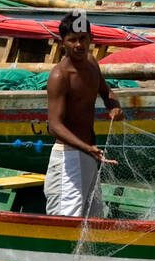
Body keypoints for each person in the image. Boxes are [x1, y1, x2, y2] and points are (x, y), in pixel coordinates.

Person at [44, 11, 126, 216]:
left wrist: (113, 106)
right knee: (66, 222)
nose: (78, 45)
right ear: (62, 42)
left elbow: (106, 91)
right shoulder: (59, 76)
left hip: (90, 155)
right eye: (72, 40)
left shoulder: (91, 63)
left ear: (91, 39)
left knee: (94, 219)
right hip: (68, 159)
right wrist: (87, 148)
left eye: (83, 39)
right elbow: (55, 126)